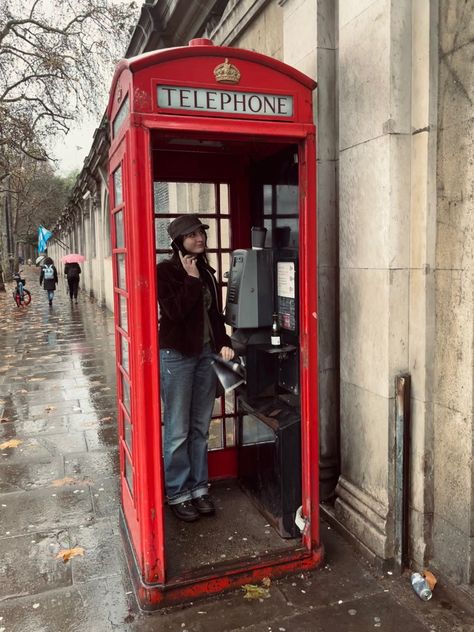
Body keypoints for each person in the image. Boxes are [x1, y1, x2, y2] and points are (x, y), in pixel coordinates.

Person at [157, 214, 234, 522]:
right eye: (191, 235)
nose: (199, 238)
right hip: (177, 355)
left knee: (201, 427)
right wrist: (189, 281)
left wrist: (223, 342)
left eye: (200, 232)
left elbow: (214, 313)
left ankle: (199, 487)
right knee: (177, 429)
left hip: (205, 355)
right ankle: (177, 492)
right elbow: (174, 313)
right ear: (178, 241)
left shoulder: (206, 270)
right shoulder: (167, 271)